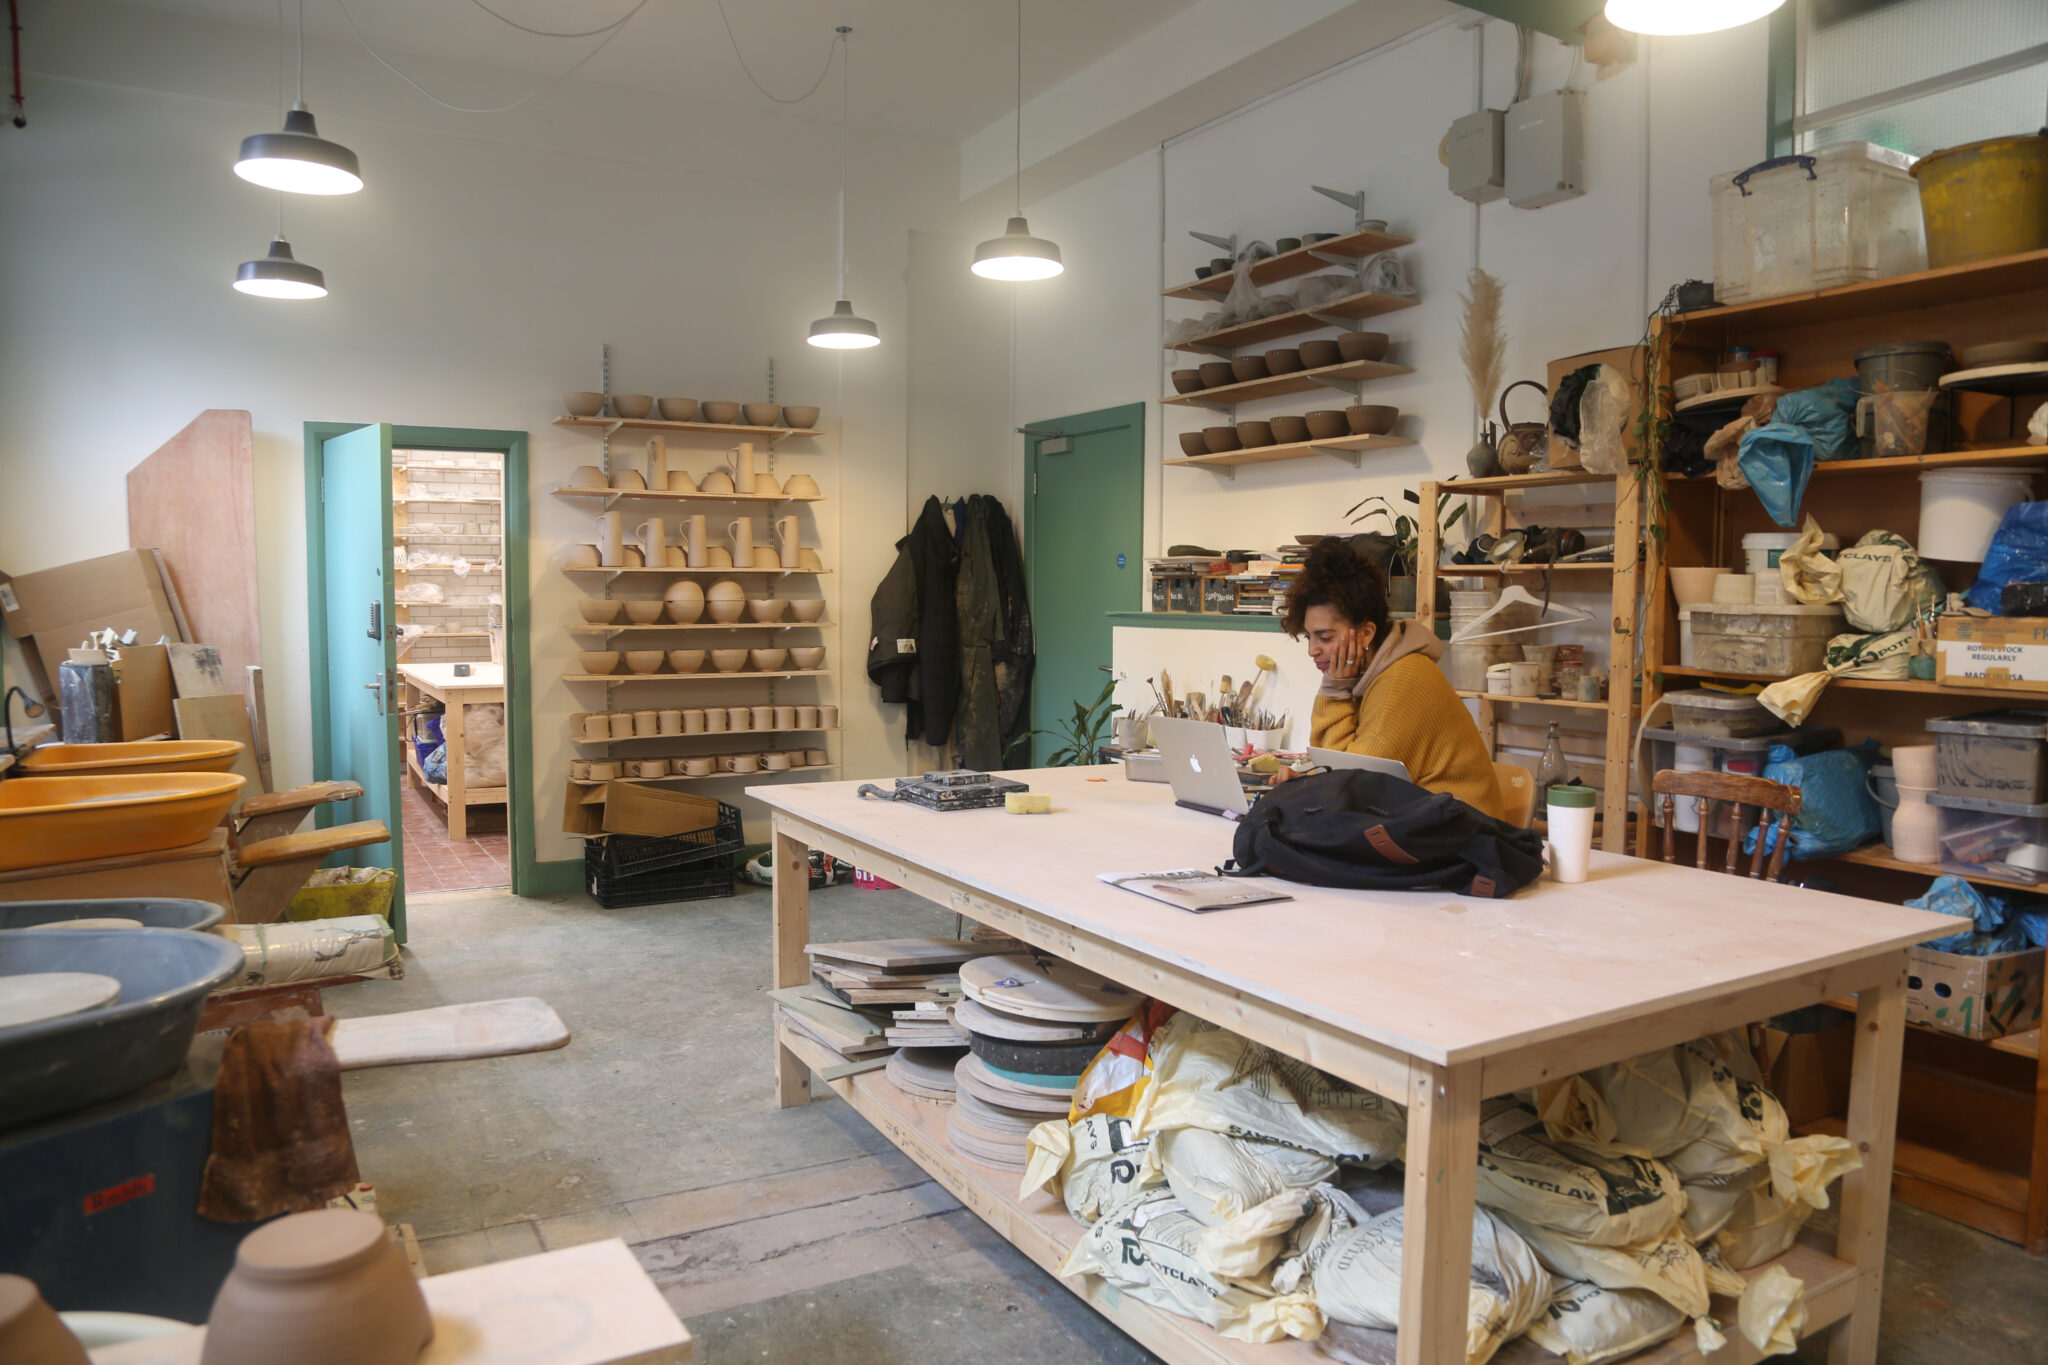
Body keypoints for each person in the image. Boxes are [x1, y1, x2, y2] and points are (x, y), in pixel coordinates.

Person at [1282, 538, 1506, 820]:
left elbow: (1347, 785)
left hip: (1466, 844)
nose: (1312, 649)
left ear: (1366, 633)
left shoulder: (1402, 680)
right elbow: (1338, 775)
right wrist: (1305, 780)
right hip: (1424, 829)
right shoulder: (1372, 672)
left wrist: (1333, 690)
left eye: (1325, 637)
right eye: (1309, 636)